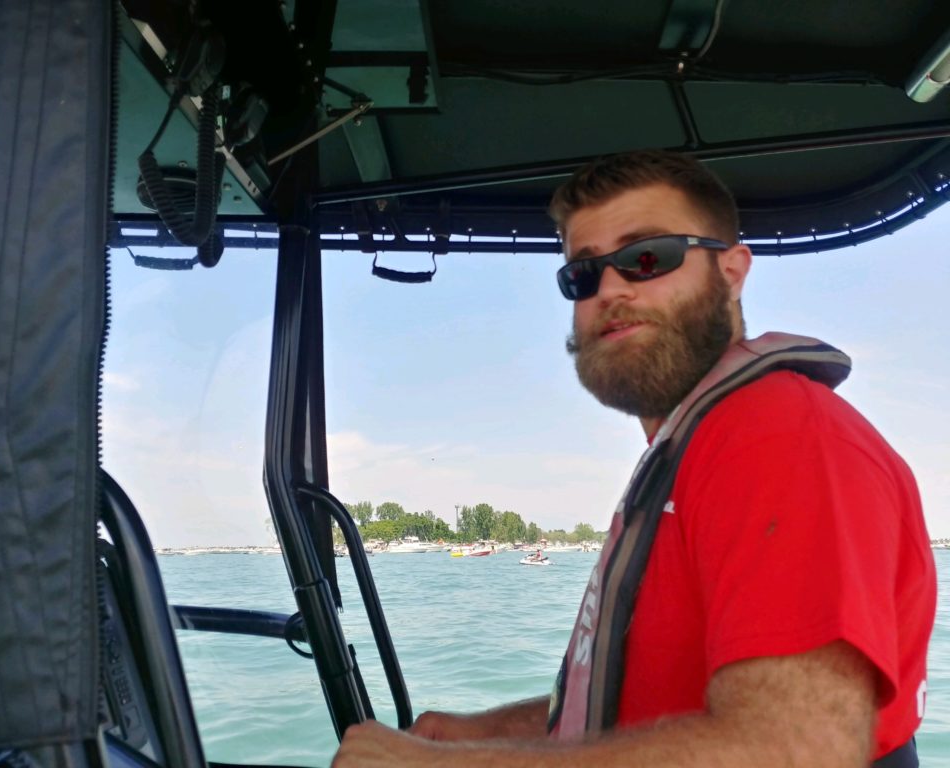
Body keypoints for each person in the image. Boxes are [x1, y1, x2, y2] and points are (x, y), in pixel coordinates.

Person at [332, 150, 936, 768]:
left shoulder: (780, 437)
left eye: (647, 257)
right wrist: (477, 733)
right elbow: (644, 697)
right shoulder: (696, 450)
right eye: (582, 275)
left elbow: (793, 748)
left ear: (731, 271)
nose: (611, 288)